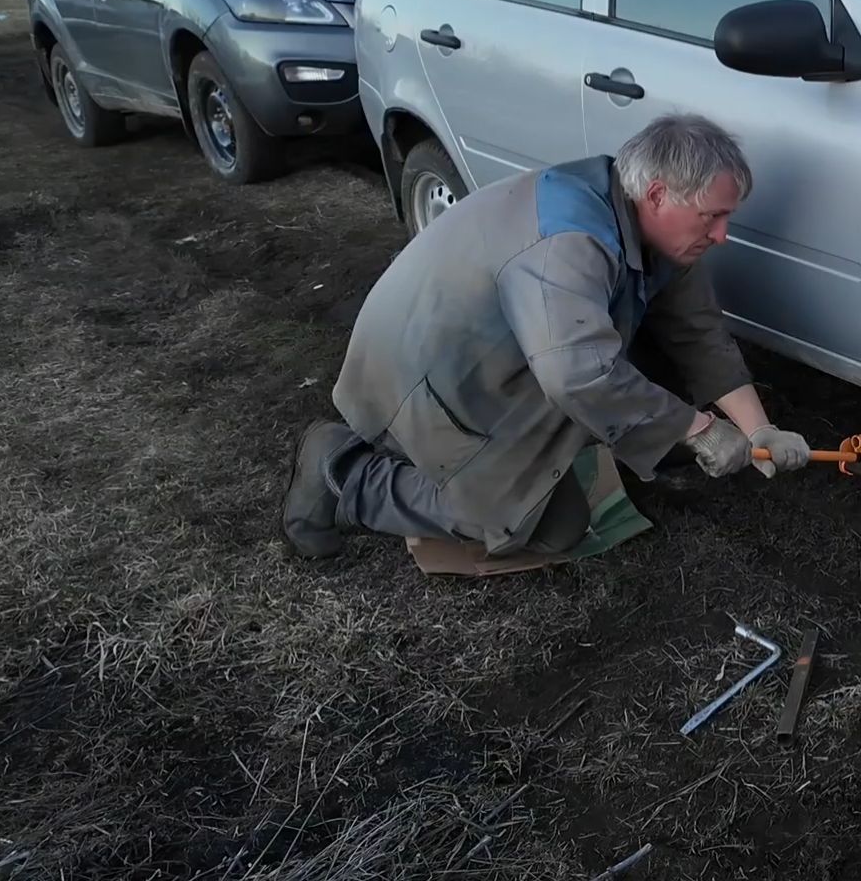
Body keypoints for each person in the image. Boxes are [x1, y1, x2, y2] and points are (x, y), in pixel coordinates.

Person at [281, 113, 811, 560]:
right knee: (541, 528)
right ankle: (345, 476)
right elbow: (578, 373)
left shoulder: (648, 221)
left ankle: (542, 451)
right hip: (426, 375)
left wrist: (758, 429)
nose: (722, 235)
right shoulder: (569, 240)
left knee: (642, 386)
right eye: (712, 217)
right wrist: (699, 430)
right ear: (657, 195)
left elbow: (699, 334)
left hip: (508, 354)